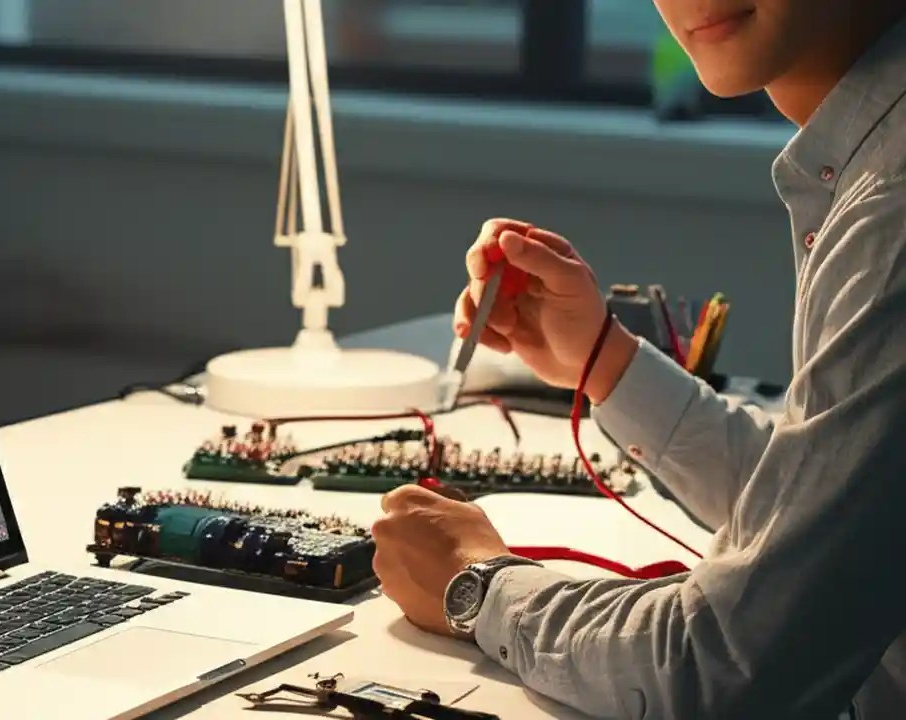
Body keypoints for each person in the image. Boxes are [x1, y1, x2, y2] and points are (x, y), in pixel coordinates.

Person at [370, 1, 906, 718]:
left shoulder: (892, 206)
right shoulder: (872, 157)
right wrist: (604, 363)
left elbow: (727, 668)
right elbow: (837, 508)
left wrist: (479, 587)